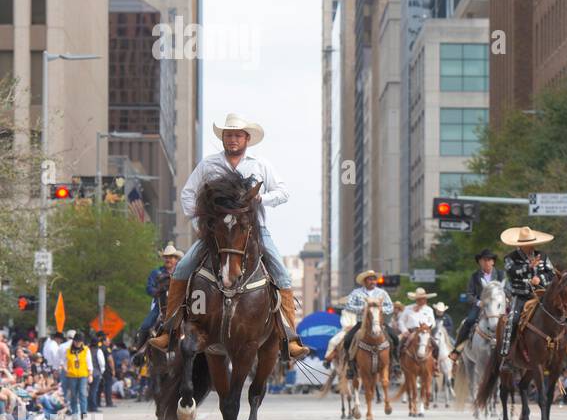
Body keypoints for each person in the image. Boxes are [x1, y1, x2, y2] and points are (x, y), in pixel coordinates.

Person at [150, 114, 308, 358]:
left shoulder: (260, 164)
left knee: (283, 275)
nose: (232, 139)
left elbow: (283, 191)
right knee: (181, 269)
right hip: (216, 232)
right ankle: (169, 331)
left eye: (237, 135)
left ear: (247, 139)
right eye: (228, 135)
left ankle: (290, 337)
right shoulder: (208, 165)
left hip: (254, 231)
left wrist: (260, 198)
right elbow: (188, 194)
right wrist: (200, 224)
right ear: (223, 138)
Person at [498, 226, 561, 359]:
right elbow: (512, 271)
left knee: (562, 316)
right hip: (521, 296)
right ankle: (507, 355)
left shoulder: (542, 256)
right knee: (512, 320)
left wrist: (540, 279)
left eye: (531, 243)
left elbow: (552, 273)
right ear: (520, 245)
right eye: (527, 244)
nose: (530, 246)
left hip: (542, 296)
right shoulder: (510, 258)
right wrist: (528, 268)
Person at [337, 271, 401, 369]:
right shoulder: (356, 293)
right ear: (364, 281)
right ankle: (351, 363)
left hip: (379, 323)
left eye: (374, 279)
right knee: (348, 340)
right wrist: (362, 309)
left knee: (395, 338)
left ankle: (395, 361)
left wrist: (380, 309)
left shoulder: (382, 293)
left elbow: (390, 307)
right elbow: (348, 306)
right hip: (362, 323)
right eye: (370, 279)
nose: (373, 281)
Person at [449, 250, 505, 362]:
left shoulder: (500, 274)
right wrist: (479, 302)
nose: (486, 262)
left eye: (489, 260)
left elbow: (507, 289)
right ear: (479, 262)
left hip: (498, 305)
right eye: (483, 260)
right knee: (469, 321)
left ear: (493, 262)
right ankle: (457, 349)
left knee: (513, 321)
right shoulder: (474, 276)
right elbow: (469, 294)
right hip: (480, 305)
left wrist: (504, 299)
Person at [140, 242, 183, 339]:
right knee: (145, 326)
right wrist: (157, 291)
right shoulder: (156, 273)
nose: (168, 259)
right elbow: (148, 288)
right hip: (160, 306)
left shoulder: (181, 273)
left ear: (176, 259)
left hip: (178, 306)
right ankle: (139, 351)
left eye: (171, 257)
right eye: (166, 257)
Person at [64, 333, 90, 420]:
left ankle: (83, 413)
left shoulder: (86, 350)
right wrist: (65, 369)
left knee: (82, 393)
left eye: (80, 342)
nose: (78, 344)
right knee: (73, 395)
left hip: (83, 375)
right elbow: (64, 362)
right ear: (74, 341)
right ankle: (74, 413)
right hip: (72, 375)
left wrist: (90, 374)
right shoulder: (68, 351)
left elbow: (89, 362)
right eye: (77, 341)